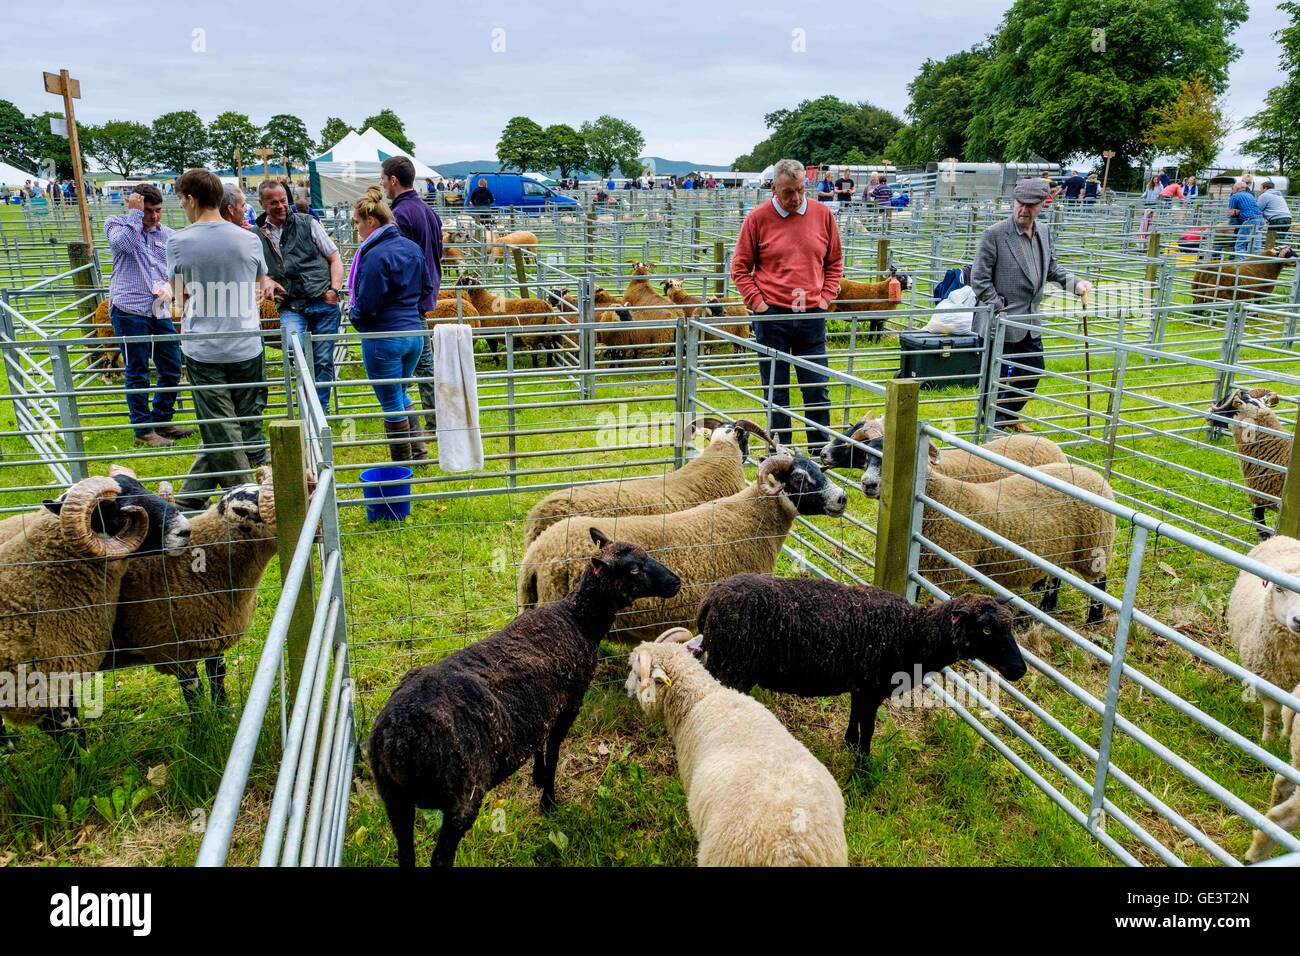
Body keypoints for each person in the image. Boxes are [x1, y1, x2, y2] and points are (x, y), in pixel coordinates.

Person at [167, 168, 276, 510]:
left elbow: (178, 298)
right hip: (246, 343)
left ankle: (248, 504)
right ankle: (189, 500)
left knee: (220, 428)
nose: (182, 206)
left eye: (182, 200)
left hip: (204, 348)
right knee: (241, 425)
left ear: (193, 199)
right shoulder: (249, 238)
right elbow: (261, 287)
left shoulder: (179, 242)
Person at [730, 158, 842, 454]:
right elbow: (740, 268)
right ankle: (782, 457)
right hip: (772, 316)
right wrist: (759, 305)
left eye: (800, 190)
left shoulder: (822, 215)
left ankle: (821, 456)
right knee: (776, 392)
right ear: (774, 188)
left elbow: (834, 262)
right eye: (787, 192)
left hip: (811, 316)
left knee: (817, 388)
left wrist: (825, 299)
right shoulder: (757, 219)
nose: (794, 198)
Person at [970, 178, 1092, 432]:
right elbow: (979, 279)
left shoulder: (1044, 232)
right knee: (995, 376)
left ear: (1042, 205)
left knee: (1033, 370)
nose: (1023, 210)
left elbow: (1052, 269)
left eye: (1030, 205)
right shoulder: (995, 234)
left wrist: (1076, 284)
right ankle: (993, 423)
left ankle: (1004, 416)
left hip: (1029, 319)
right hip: (1000, 319)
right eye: (1020, 204)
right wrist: (998, 305)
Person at [103, 184, 194, 448]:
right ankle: (143, 430)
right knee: (137, 368)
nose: (153, 217)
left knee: (171, 365)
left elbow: (176, 269)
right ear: (134, 207)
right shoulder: (117, 224)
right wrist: (134, 215)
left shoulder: (168, 235)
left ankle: (162, 419)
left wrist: (169, 288)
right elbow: (124, 245)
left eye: (157, 210)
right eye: (147, 211)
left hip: (159, 308)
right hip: (129, 308)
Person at [348, 187, 433, 464]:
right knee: (400, 392)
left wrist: (354, 316)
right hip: (414, 334)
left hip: (384, 336)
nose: (357, 229)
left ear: (371, 222)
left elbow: (369, 301)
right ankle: (419, 454)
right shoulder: (412, 248)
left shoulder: (374, 255)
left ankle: (403, 464)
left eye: (358, 223)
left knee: (391, 402)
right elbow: (426, 288)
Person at [254, 179, 344, 409]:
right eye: (273, 202)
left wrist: (334, 289)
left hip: (322, 299)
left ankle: (318, 412)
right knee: (295, 351)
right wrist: (265, 279)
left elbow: (334, 257)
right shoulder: (256, 235)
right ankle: (306, 403)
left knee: (323, 361)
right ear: (262, 203)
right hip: (291, 304)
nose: (281, 206)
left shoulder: (309, 223)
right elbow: (251, 268)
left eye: (283, 200)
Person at [381, 156, 444, 462]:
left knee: (418, 367)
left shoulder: (401, 215)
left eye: (383, 178)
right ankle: (432, 424)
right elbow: (438, 252)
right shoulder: (428, 211)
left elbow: (400, 259)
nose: (382, 183)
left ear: (393, 180)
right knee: (422, 365)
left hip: (409, 303)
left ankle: (430, 427)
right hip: (424, 296)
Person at [1228, 181, 1266, 254]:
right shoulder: (1250, 195)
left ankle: (1242, 263)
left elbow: (1231, 212)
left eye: (1233, 188)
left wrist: (1238, 211)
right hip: (1260, 219)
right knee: (1256, 243)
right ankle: (1256, 261)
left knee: (1240, 244)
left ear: (1236, 188)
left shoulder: (1235, 196)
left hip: (1249, 220)